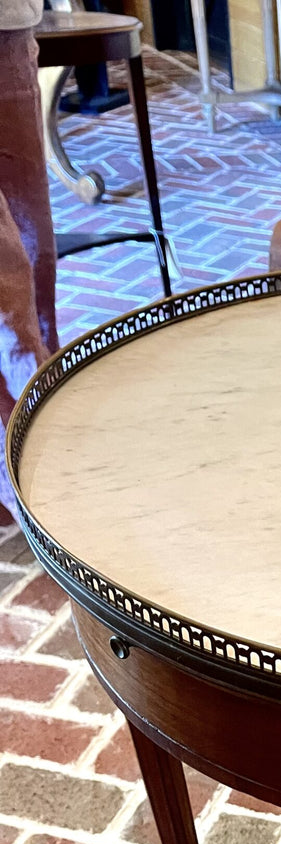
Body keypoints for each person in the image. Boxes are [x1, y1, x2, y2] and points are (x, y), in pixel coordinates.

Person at [0, 0, 59, 517]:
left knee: (34, 250)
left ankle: (45, 438)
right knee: (5, 284)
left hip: (7, 25)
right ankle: (22, 483)